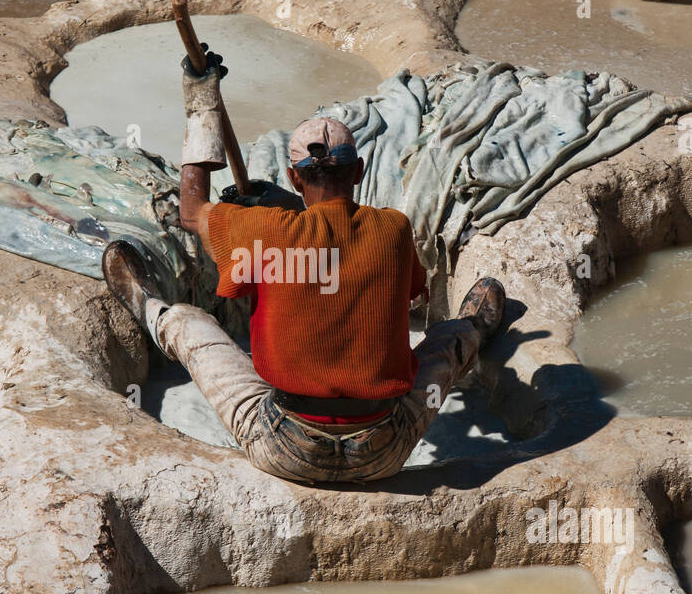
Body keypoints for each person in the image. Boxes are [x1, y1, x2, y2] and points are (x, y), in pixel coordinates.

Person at [102, 48, 506, 485]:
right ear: (359, 172)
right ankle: (474, 330)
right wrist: (291, 211)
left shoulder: (262, 230)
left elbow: (192, 209)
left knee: (190, 326)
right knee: (445, 342)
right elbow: (351, 257)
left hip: (287, 445)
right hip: (384, 448)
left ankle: (149, 308)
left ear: (294, 177)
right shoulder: (392, 230)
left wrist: (201, 106)